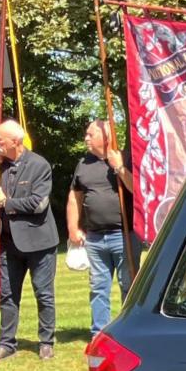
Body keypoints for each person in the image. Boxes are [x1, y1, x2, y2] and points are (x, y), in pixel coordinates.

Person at [0, 120, 59, 361]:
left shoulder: (39, 165)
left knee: (43, 293)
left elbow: (38, 204)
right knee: (8, 295)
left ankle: (46, 341)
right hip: (9, 243)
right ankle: (7, 343)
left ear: (15, 142)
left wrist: (7, 204)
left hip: (39, 242)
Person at [67, 119, 134, 338]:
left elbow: (137, 190)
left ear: (106, 137)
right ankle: (99, 333)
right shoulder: (83, 164)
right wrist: (72, 228)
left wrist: (119, 168)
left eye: (90, 134)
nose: (86, 138)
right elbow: (75, 198)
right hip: (94, 238)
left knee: (128, 285)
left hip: (123, 235)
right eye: (86, 134)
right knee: (98, 288)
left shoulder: (125, 158)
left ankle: (129, 330)